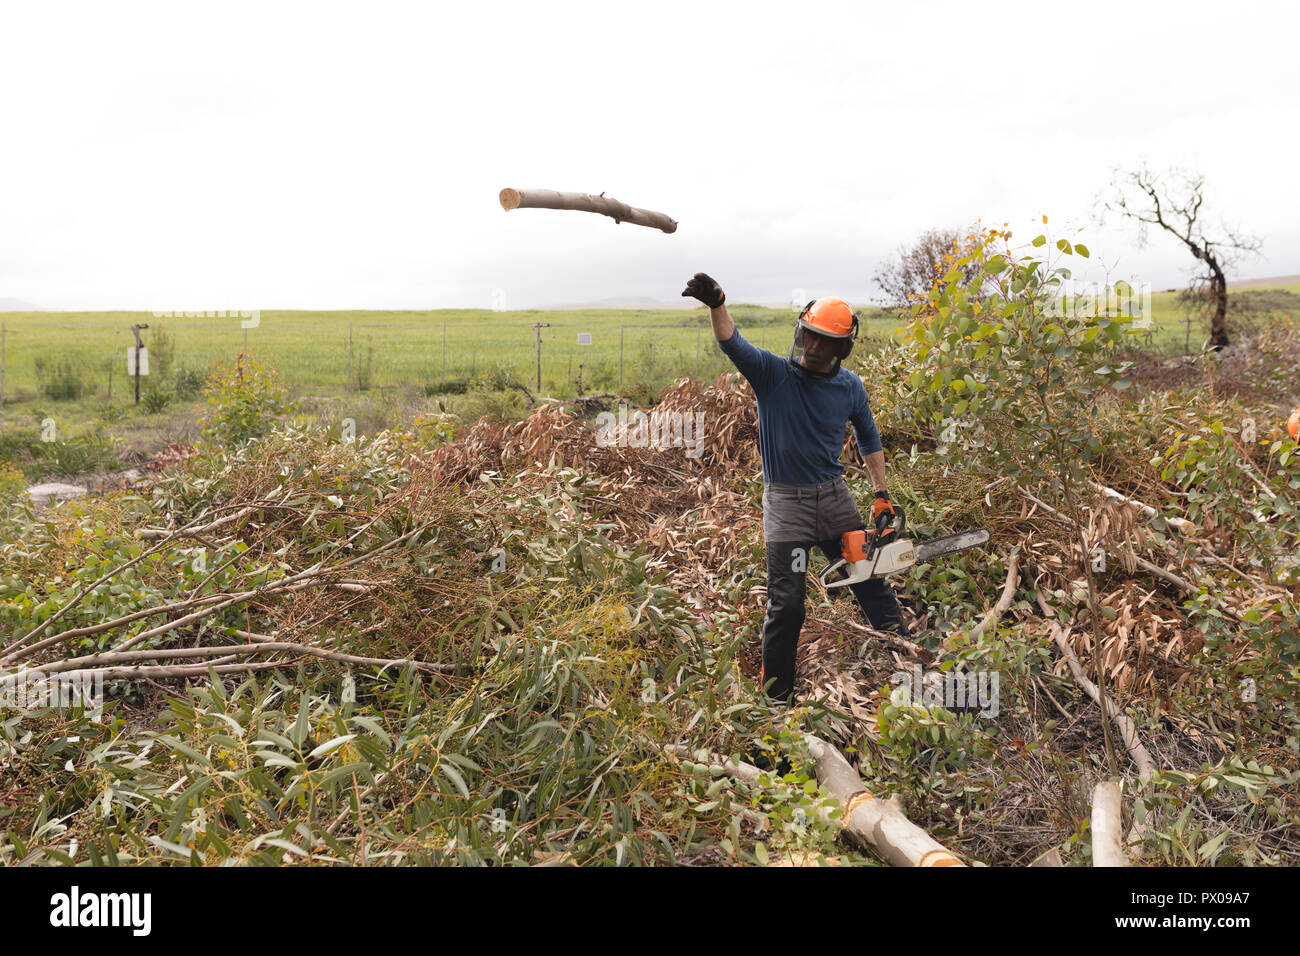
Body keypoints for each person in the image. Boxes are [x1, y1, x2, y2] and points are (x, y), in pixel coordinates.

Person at [681, 271, 911, 703]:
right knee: (787, 606)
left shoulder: (850, 387)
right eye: (809, 336)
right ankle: (775, 701)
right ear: (800, 332)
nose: (813, 346)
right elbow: (733, 342)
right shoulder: (771, 375)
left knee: (868, 578)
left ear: (841, 349)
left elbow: (869, 438)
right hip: (787, 506)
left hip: (835, 499)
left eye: (825, 341)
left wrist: (881, 494)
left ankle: (904, 657)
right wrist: (717, 303)